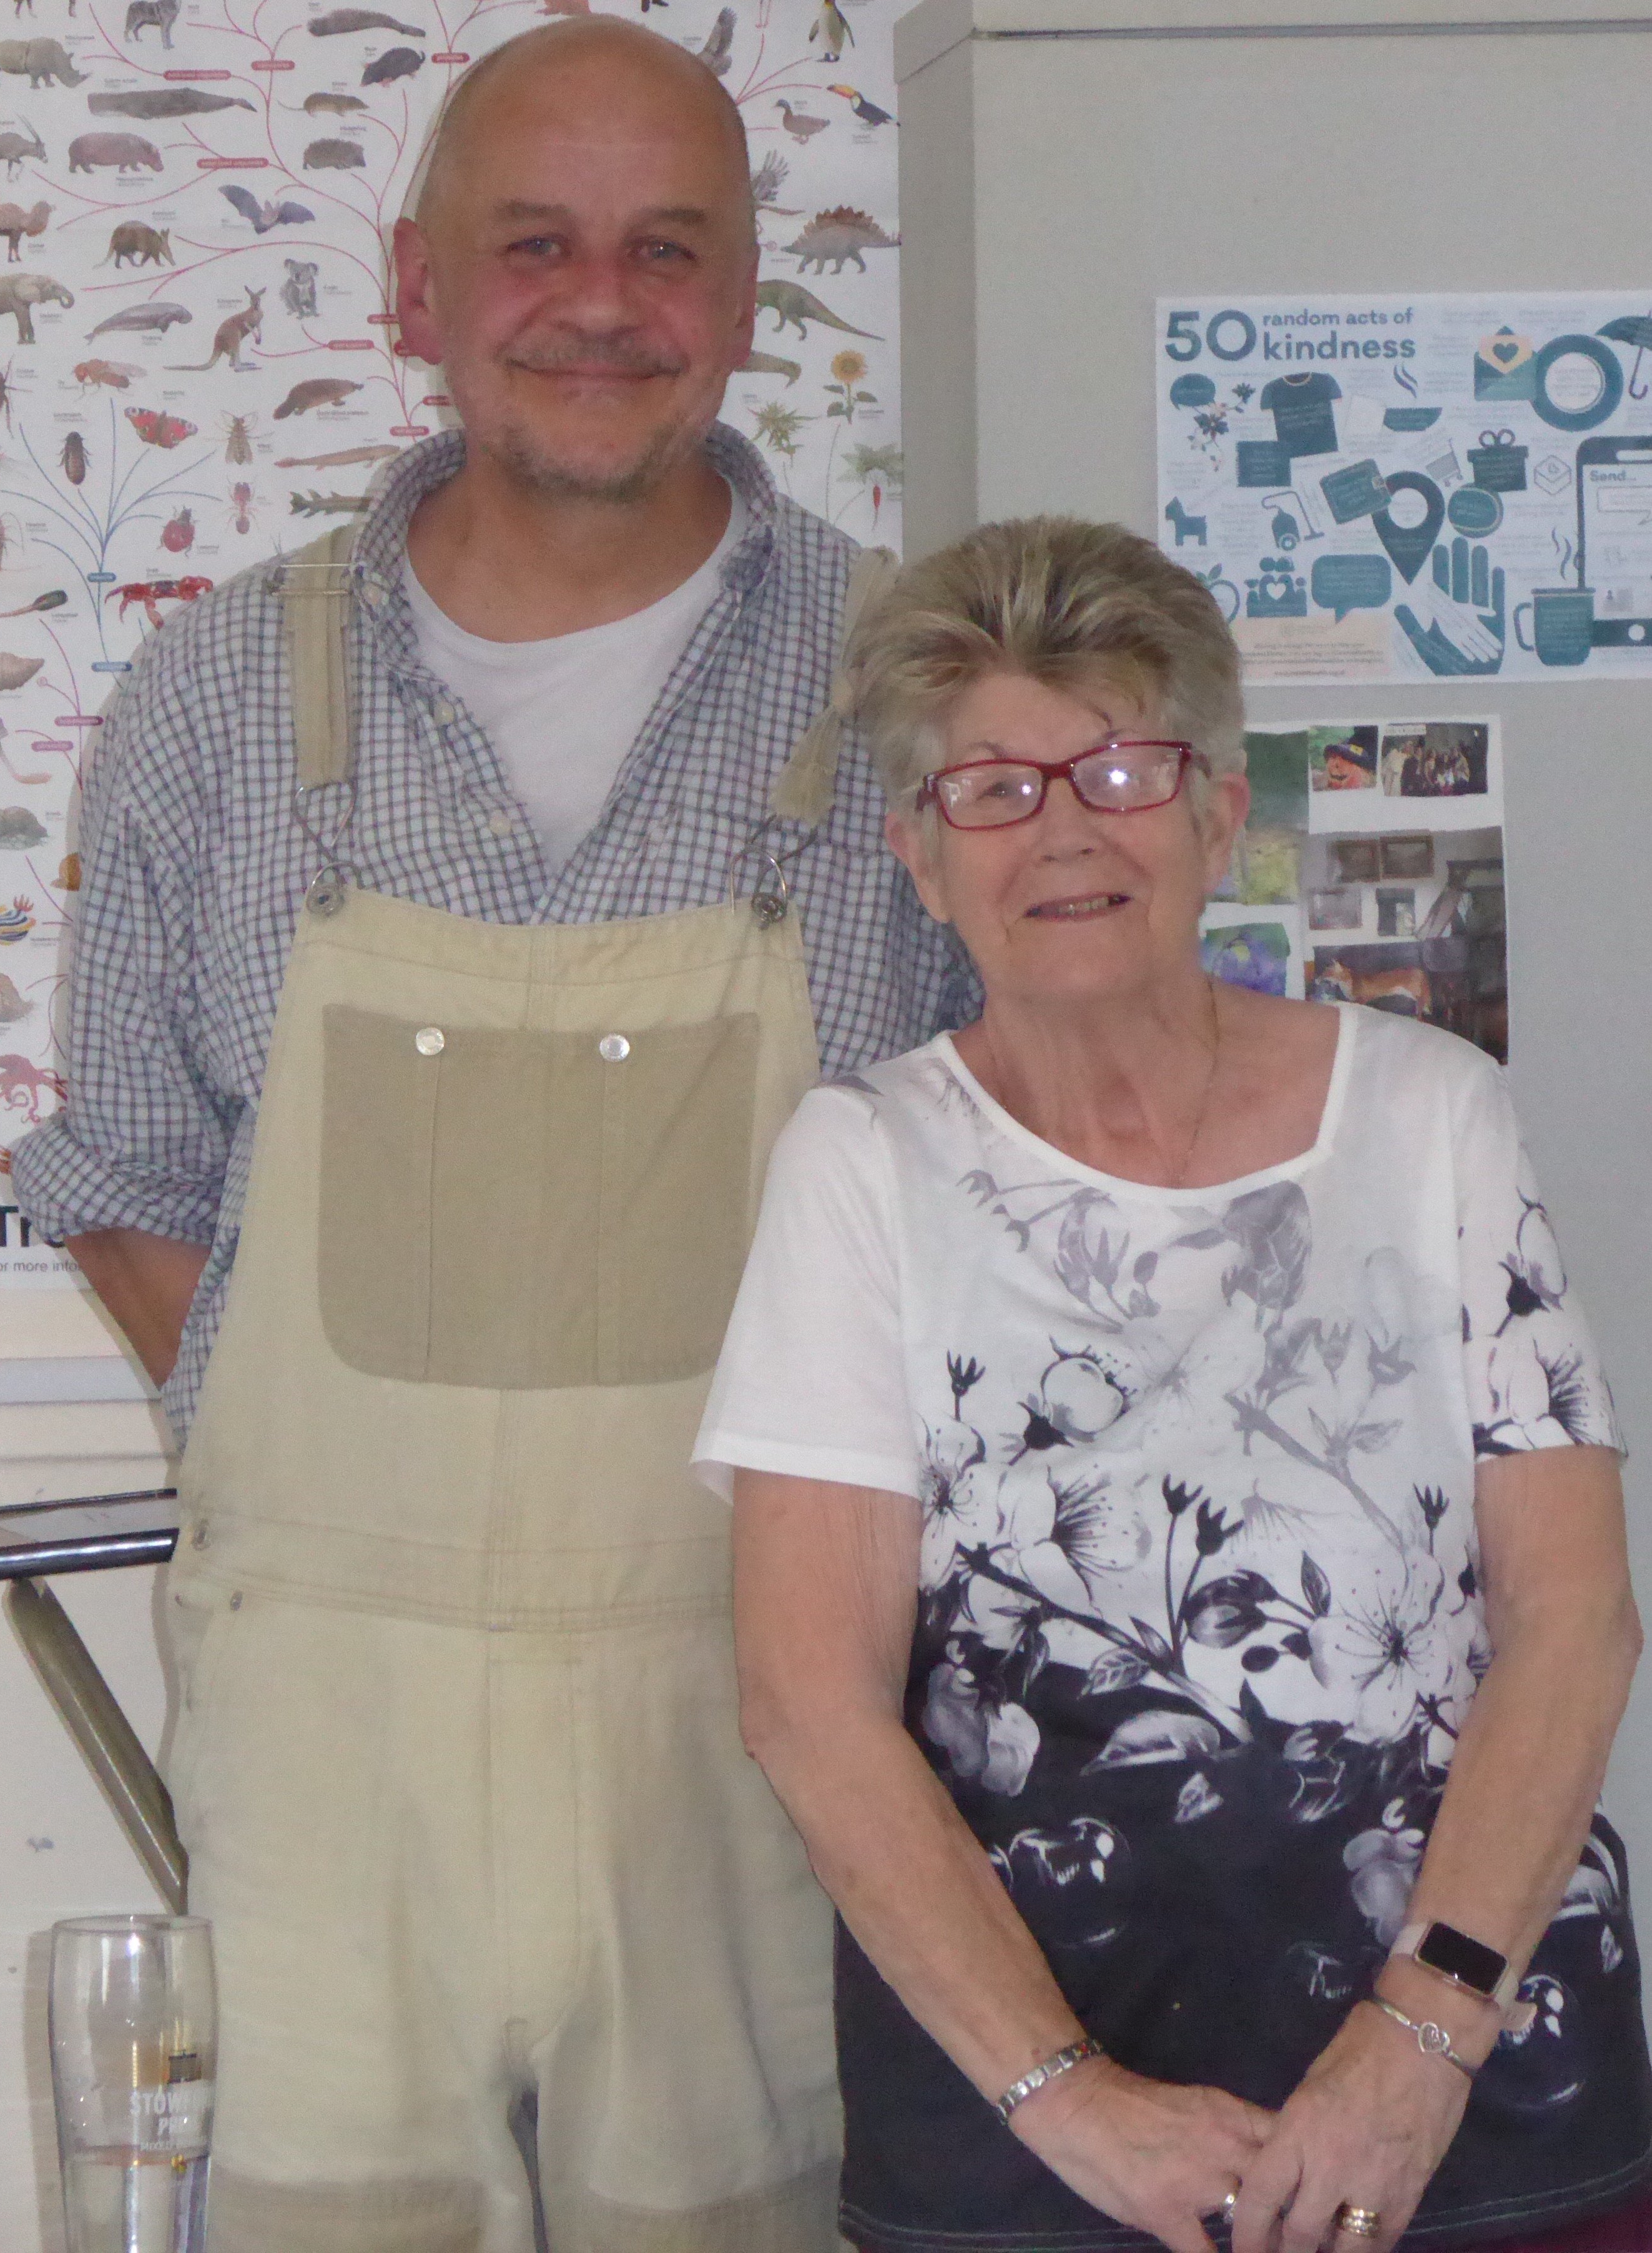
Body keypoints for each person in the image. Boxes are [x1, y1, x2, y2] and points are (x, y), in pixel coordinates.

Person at [12, 23, 966, 2249]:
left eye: (669, 249)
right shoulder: (216, 697)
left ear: (747, 301)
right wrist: (322, 1489)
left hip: (753, 1719)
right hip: (333, 1743)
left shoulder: (911, 693)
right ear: (412, 290)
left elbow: (1011, 1193)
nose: (601, 303)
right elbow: (135, 1181)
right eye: (533, 244)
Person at [696, 516, 1652, 2253]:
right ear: (921, 859)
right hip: (1033, 2130)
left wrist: (1420, 2036)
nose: (1061, 826)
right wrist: (1071, 2102)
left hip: (1470, 2097)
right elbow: (808, 1707)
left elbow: (1572, 1619)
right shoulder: (862, 1167)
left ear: (1220, 811)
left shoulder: (1431, 1115)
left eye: (1121, 768)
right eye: (989, 786)